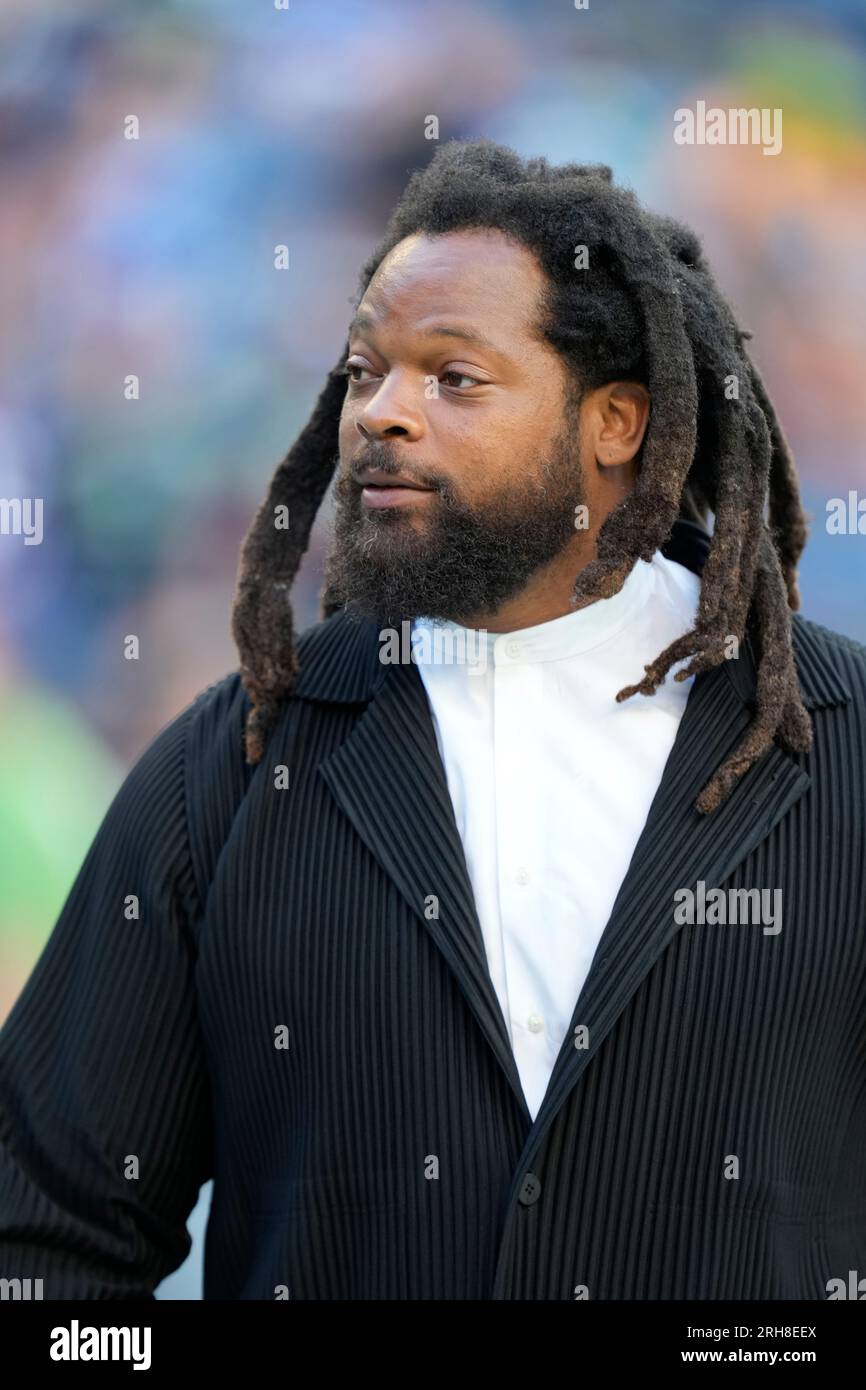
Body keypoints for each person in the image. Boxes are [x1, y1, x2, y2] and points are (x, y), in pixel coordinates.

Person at [1, 138, 864, 1300]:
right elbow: (46, 1235)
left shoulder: (840, 744)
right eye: (365, 373)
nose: (382, 416)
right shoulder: (235, 764)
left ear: (615, 423)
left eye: (452, 378)